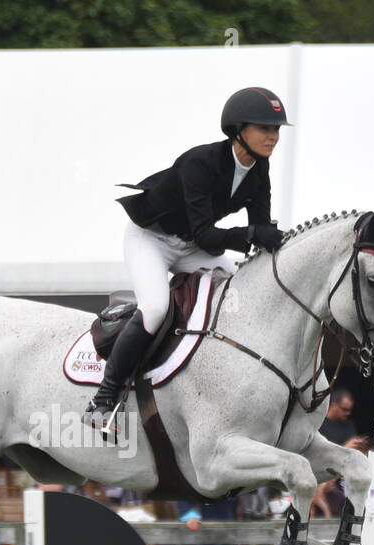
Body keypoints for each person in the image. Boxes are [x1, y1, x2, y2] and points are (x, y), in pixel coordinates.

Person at [87, 87, 290, 429]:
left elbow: (256, 230)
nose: (273, 137)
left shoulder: (259, 169)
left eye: (276, 130)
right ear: (237, 130)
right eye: (264, 128)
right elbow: (208, 235)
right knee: (155, 308)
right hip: (150, 239)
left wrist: (271, 241)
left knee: (239, 291)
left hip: (191, 247)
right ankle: (104, 397)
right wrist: (253, 235)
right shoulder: (202, 162)